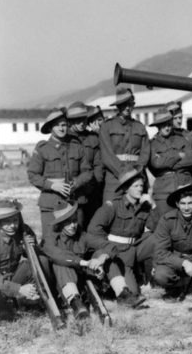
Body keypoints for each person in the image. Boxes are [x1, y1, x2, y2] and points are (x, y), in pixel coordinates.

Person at [87, 165, 154, 307]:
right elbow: (93, 231)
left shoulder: (144, 207)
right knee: (130, 293)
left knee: (156, 238)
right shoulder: (112, 206)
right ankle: (104, 285)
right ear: (125, 189)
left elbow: (158, 228)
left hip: (131, 253)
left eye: (141, 185)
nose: (140, 189)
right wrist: (107, 247)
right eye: (135, 186)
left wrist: (152, 205)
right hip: (113, 253)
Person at [27, 108, 92, 241]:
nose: (61, 128)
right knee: (50, 241)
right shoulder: (42, 149)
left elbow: (87, 172)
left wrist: (76, 183)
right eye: (57, 125)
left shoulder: (76, 147)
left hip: (74, 202)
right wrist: (52, 186)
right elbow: (33, 174)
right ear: (50, 127)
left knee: (77, 241)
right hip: (51, 204)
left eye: (63, 125)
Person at [43, 200, 111, 320]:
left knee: (99, 252)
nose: (72, 225)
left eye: (74, 220)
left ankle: (81, 303)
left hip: (80, 280)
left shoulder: (81, 235)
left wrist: (99, 260)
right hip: (60, 284)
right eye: (68, 222)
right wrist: (85, 263)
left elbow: (108, 246)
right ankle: (76, 304)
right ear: (59, 224)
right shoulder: (50, 238)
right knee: (62, 263)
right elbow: (59, 256)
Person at [0, 199, 43, 322]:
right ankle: (16, 299)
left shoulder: (23, 232)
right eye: (7, 222)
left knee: (37, 262)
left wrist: (32, 247)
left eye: (15, 220)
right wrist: (19, 289)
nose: (13, 225)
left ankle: (29, 298)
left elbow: (35, 258)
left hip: (12, 278)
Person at [99, 87, 150, 202]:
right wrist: (125, 173)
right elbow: (107, 156)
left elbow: (145, 154)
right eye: (123, 104)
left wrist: (135, 174)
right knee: (111, 214)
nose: (127, 107)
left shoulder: (140, 127)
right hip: (115, 180)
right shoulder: (107, 126)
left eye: (130, 104)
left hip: (137, 180)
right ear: (117, 106)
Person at [147, 107, 192, 217]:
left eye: (169, 124)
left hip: (184, 186)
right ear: (158, 126)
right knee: (166, 222)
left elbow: (191, 159)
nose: (167, 128)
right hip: (164, 190)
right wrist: (178, 155)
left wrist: (167, 163)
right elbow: (156, 164)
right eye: (164, 125)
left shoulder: (182, 139)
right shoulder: (152, 144)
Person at [66, 101, 103, 229]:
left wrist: (92, 185)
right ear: (70, 121)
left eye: (84, 119)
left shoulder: (93, 138)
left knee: (93, 227)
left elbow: (98, 165)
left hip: (93, 191)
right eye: (77, 120)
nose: (82, 123)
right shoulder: (65, 140)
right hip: (74, 193)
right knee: (76, 228)